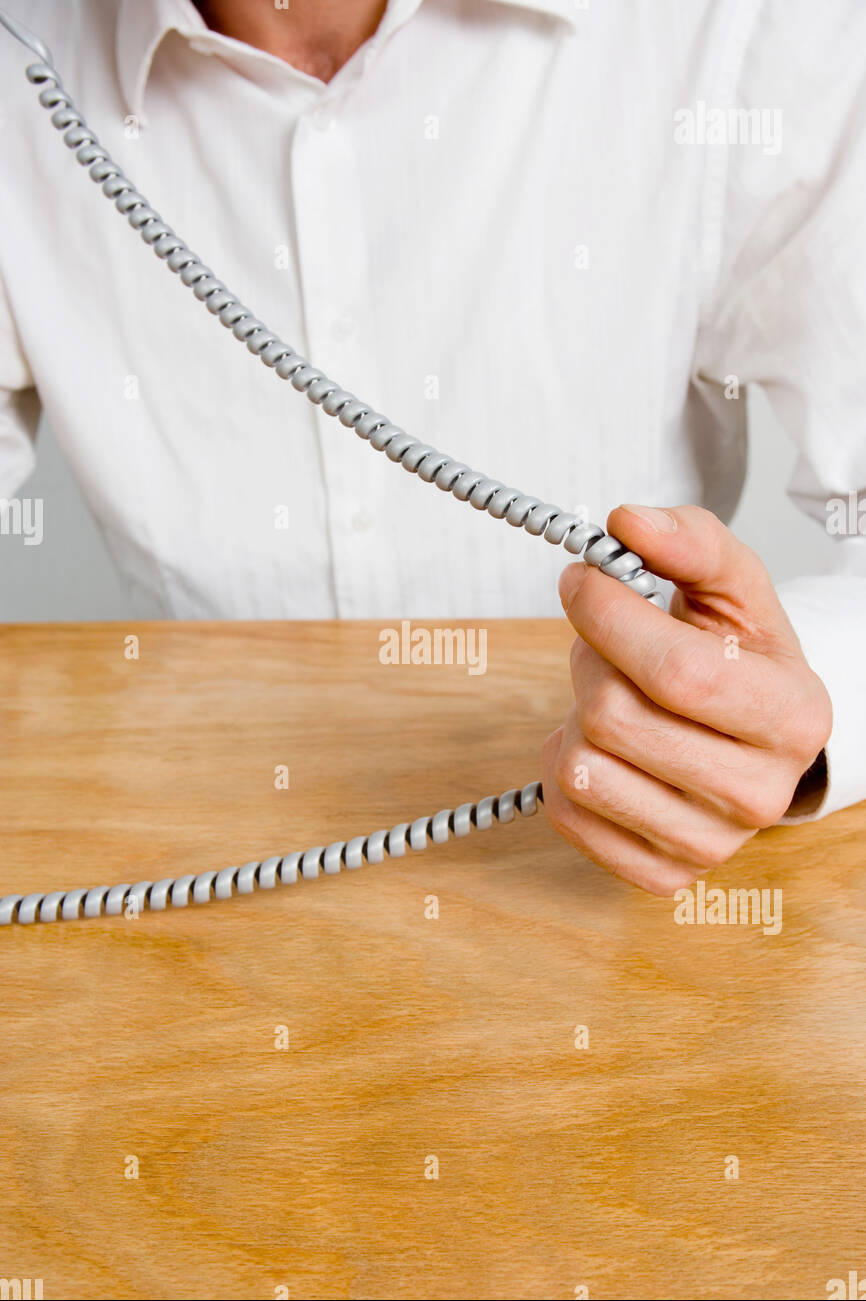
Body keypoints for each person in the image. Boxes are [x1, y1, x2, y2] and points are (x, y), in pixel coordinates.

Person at [0, 0, 862, 894]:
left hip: (616, 901)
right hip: (200, 872)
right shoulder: (24, 61)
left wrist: (800, 711)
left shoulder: (753, 32)